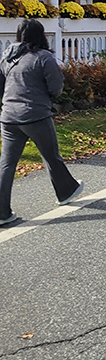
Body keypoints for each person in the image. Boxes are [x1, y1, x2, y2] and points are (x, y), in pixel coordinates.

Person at [0, 19, 84, 225]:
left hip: (8, 116)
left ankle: (1, 212)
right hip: (35, 115)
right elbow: (56, 87)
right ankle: (66, 191)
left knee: (7, 164)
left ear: (19, 35)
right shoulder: (43, 57)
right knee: (51, 156)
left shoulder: (7, 56)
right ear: (41, 35)